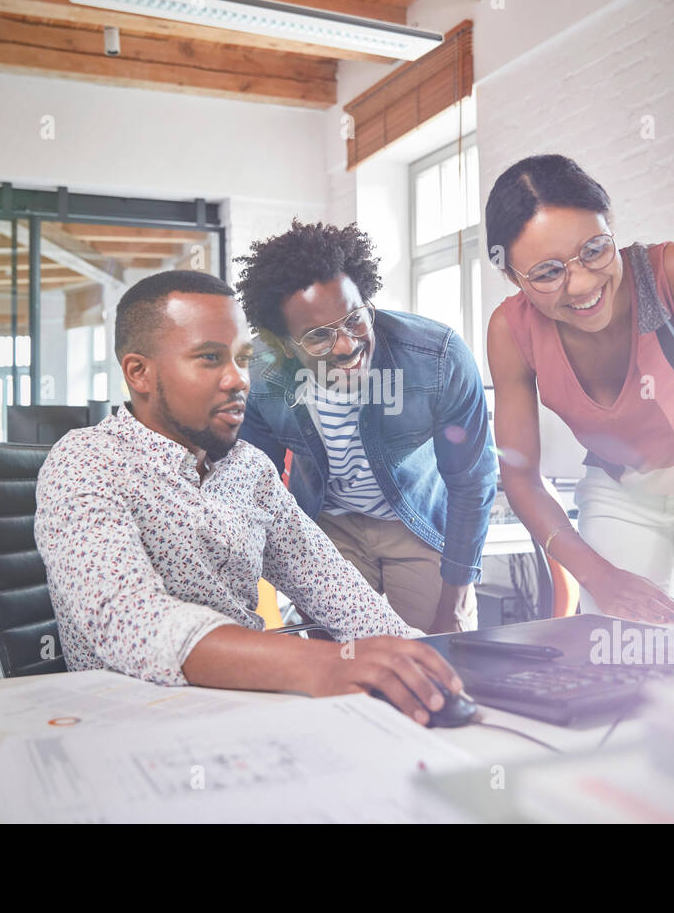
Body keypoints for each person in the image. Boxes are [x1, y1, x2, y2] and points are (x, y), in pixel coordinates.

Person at [34, 270, 461, 725]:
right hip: (130, 727)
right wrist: (323, 664)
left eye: (241, 359)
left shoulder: (249, 468)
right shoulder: (86, 461)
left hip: (249, 715)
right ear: (139, 373)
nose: (238, 380)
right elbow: (131, 623)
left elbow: (338, 591)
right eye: (210, 358)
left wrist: (428, 662)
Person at [484, 155, 674, 623]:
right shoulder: (510, 330)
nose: (581, 284)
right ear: (512, 277)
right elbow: (520, 477)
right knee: (616, 643)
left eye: (594, 250)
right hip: (621, 491)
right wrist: (599, 576)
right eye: (547, 273)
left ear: (612, 227)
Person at [233, 220, 497, 634]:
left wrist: (458, 598)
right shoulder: (263, 375)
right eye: (319, 336)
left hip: (416, 520)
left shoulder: (437, 357)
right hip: (330, 526)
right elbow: (251, 486)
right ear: (285, 344)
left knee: (440, 654)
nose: (347, 345)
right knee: (340, 660)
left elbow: (472, 480)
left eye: (355, 319)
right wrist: (291, 576)